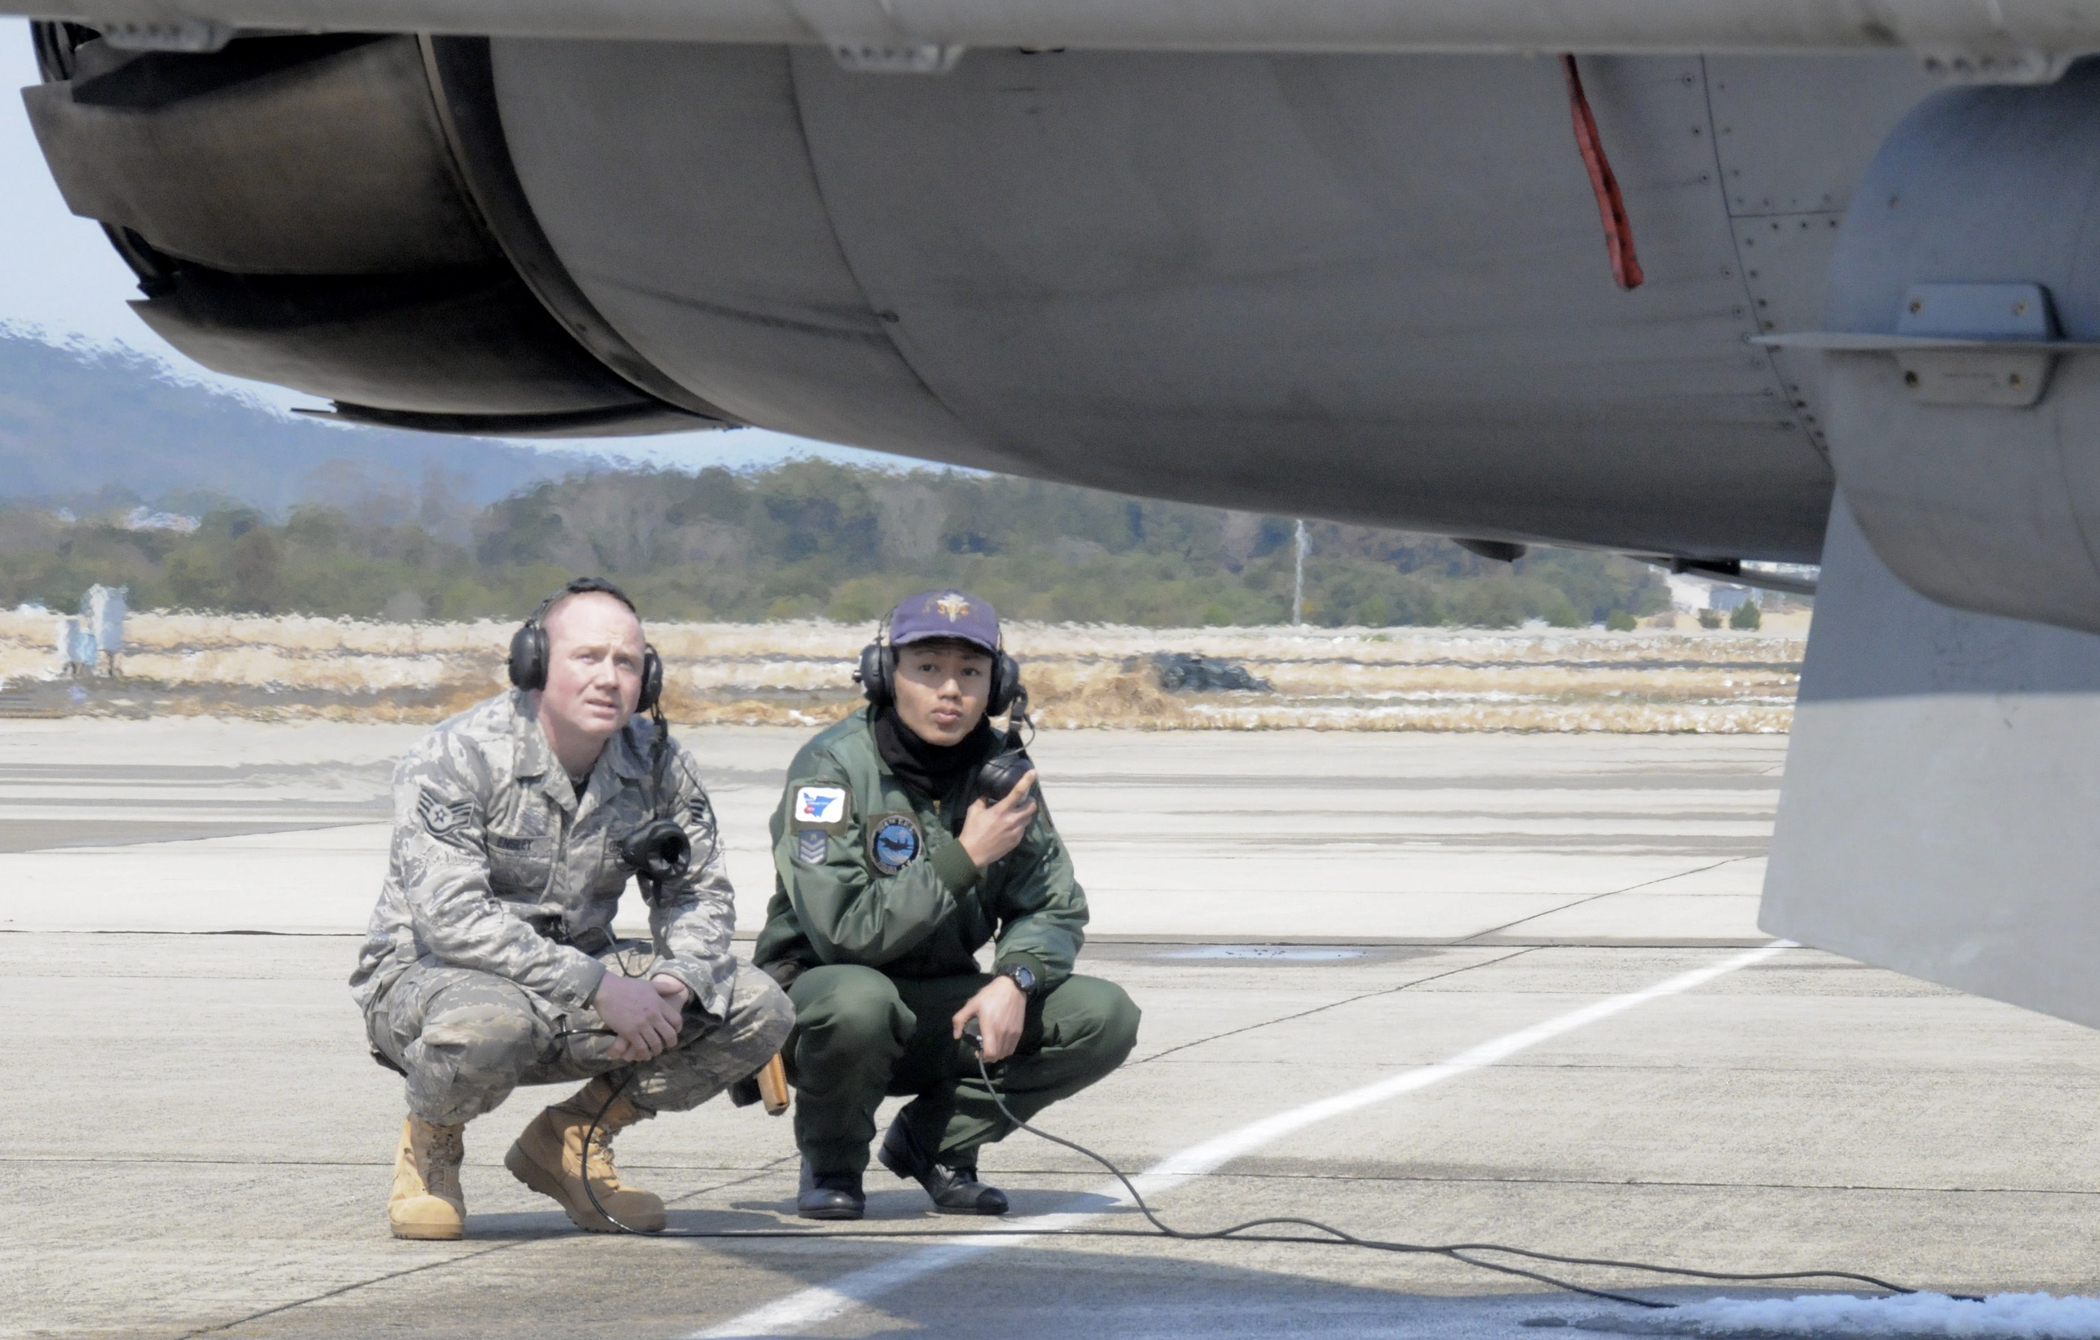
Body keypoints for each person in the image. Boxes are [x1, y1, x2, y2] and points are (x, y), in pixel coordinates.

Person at [350, 577, 794, 1240]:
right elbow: (452, 919)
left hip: (582, 974)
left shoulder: (658, 764)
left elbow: (698, 891)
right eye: (587, 657)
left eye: (627, 662)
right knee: (489, 1023)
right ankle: (431, 1144)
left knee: (758, 1005)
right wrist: (600, 987)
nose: (610, 678)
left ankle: (573, 1139)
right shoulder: (457, 755)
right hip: (430, 979)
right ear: (535, 664)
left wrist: (678, 981)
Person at [756, 589, 1140, 1219]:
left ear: (998, 686)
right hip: (825, 1005)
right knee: (859, 999)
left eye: (970, 672)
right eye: (928, 668)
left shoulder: (1001, 772)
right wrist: (966, 854)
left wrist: (1016, 979)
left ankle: (936, 1143)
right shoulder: (830, 771)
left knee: (1103, 1015)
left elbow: (1052, 904)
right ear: (886, 676)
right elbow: (843, 933)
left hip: (942, 1000)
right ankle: (831, 1161)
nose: (950, 690)